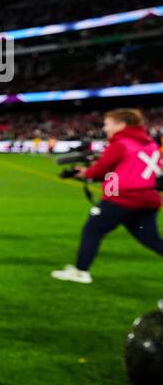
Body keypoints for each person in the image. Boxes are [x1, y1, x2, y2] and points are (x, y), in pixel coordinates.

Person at [51, 108, 163, 284]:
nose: (105, 128)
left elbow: (100, 171)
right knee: (152, 239)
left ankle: (81, 272)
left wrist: (85, 172)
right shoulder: (151, 143)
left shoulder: (120, 142)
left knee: (92, 230)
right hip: (149, 199)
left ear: (121, 124)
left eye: (107, 124)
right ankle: (80, 270)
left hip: (122, 199)